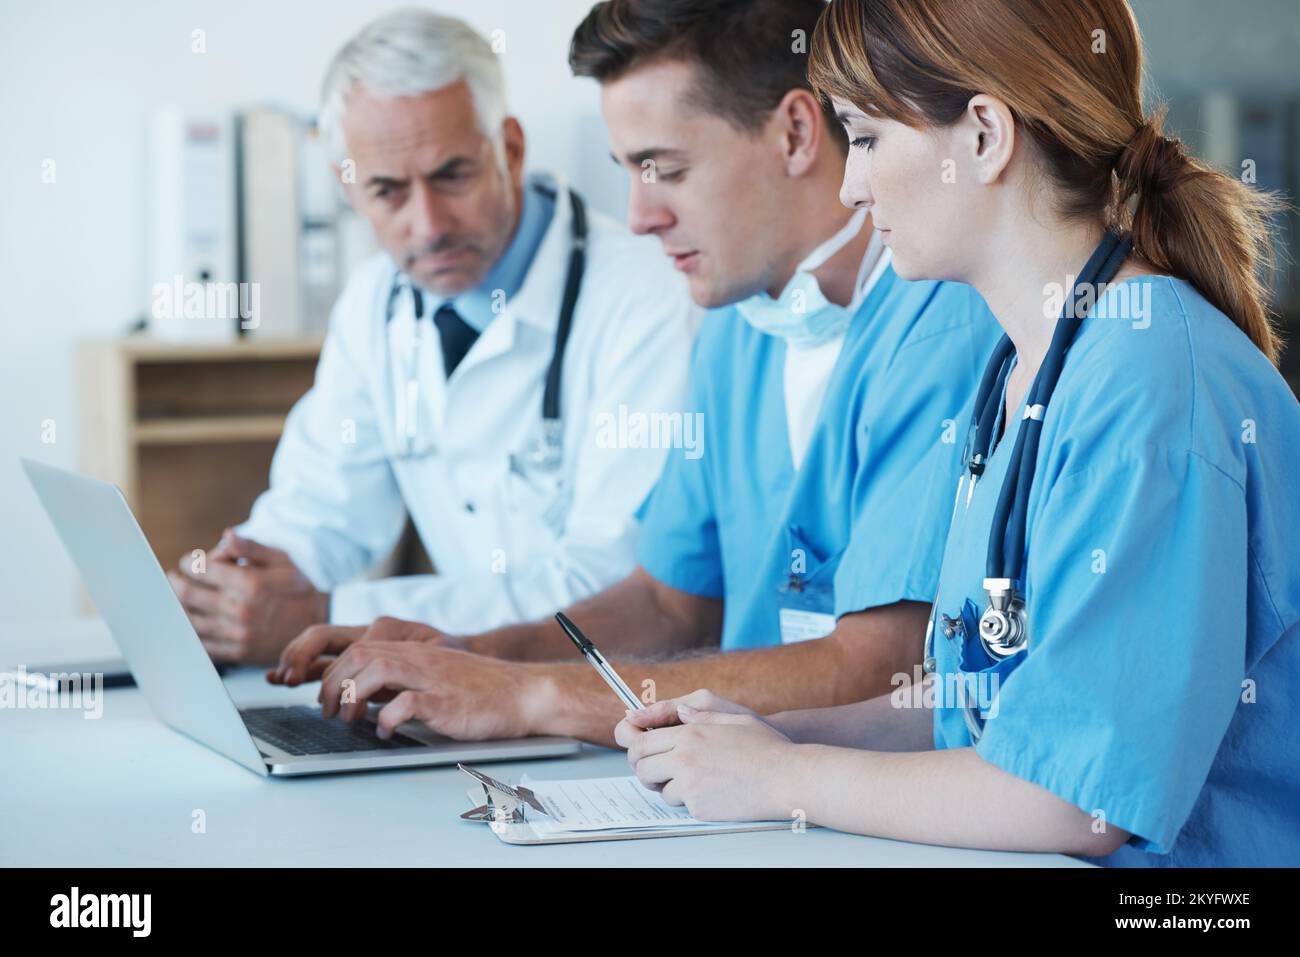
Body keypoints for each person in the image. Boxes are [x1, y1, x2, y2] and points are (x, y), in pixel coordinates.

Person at [617, 0, 1300, 867]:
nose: (849, 187)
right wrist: (768, 738)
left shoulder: (1151, 381)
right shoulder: (1025, 369)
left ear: (983, 135)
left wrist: (787, 780)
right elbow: (981, 700)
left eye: (864, 139)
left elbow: (1073, 800)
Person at [269, 0, 1000, 747]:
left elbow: (879, 670)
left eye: (667, 171)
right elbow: (667, 601)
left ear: (795, 133)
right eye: (628, 172)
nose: (640, 215)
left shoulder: (938, 323)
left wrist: (532, 696)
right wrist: (467, 655)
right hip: (737, 786)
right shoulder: (734, 327)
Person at [166, 9, 697, 665]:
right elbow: (320, 511)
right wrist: (232, 586)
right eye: (388, 190)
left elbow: (616, 586)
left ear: (509, 147)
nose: (428, 226)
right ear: (349, 187)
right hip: (468, 698)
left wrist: (332, 617)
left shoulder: (647, 299)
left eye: (452, 175)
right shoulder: (373, 305)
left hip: (614, 703)